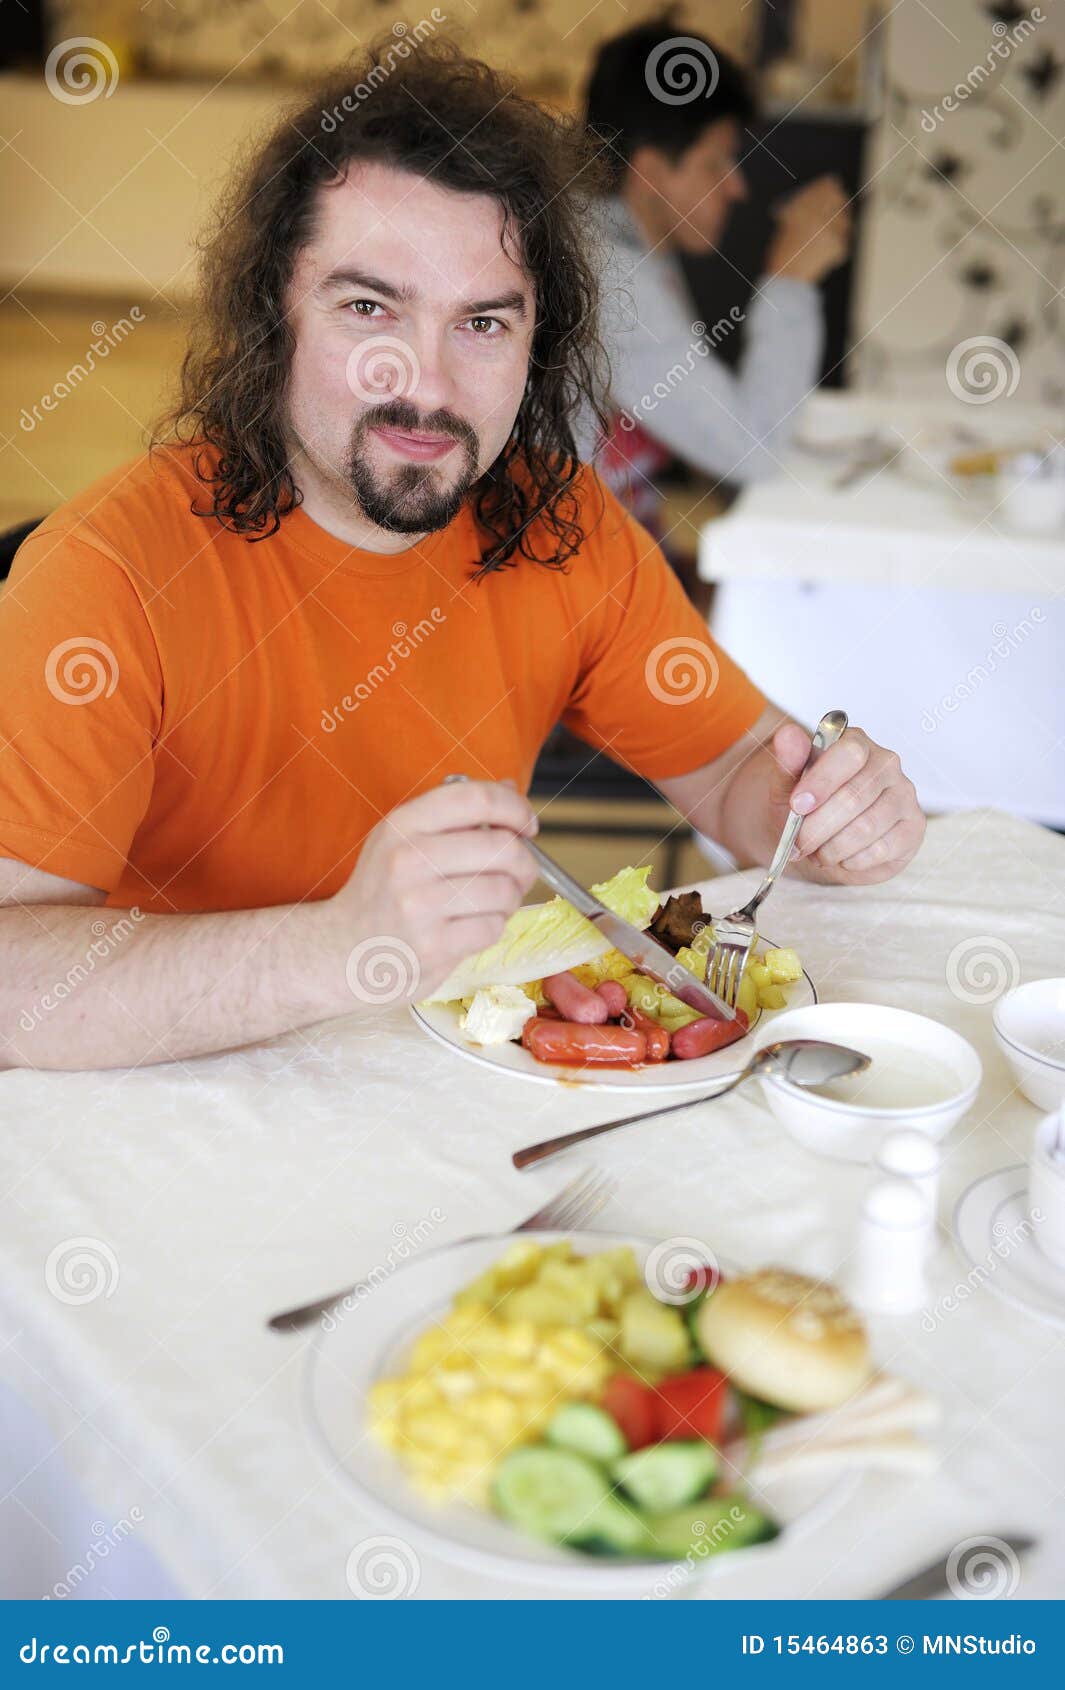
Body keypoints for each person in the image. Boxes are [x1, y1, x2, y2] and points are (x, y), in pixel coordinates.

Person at [0, 40, 922, 1073]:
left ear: (539, 344)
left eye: (483, 322)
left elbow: (740, 776)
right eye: (369, 308)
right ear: (274, 316)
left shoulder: (562, 525)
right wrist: (340, 949)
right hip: (151, 1122)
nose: (428, 384)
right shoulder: (109, 572)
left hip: (448, 1114)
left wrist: (832, 813)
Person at [578, 18, 852, 522]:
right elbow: (756, 453)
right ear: (653, 171)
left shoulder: (615, 242)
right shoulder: (612, 279)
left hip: (619, 544)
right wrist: (790, 280)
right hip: (580, 576)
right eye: (716, 163)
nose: (736, 187)